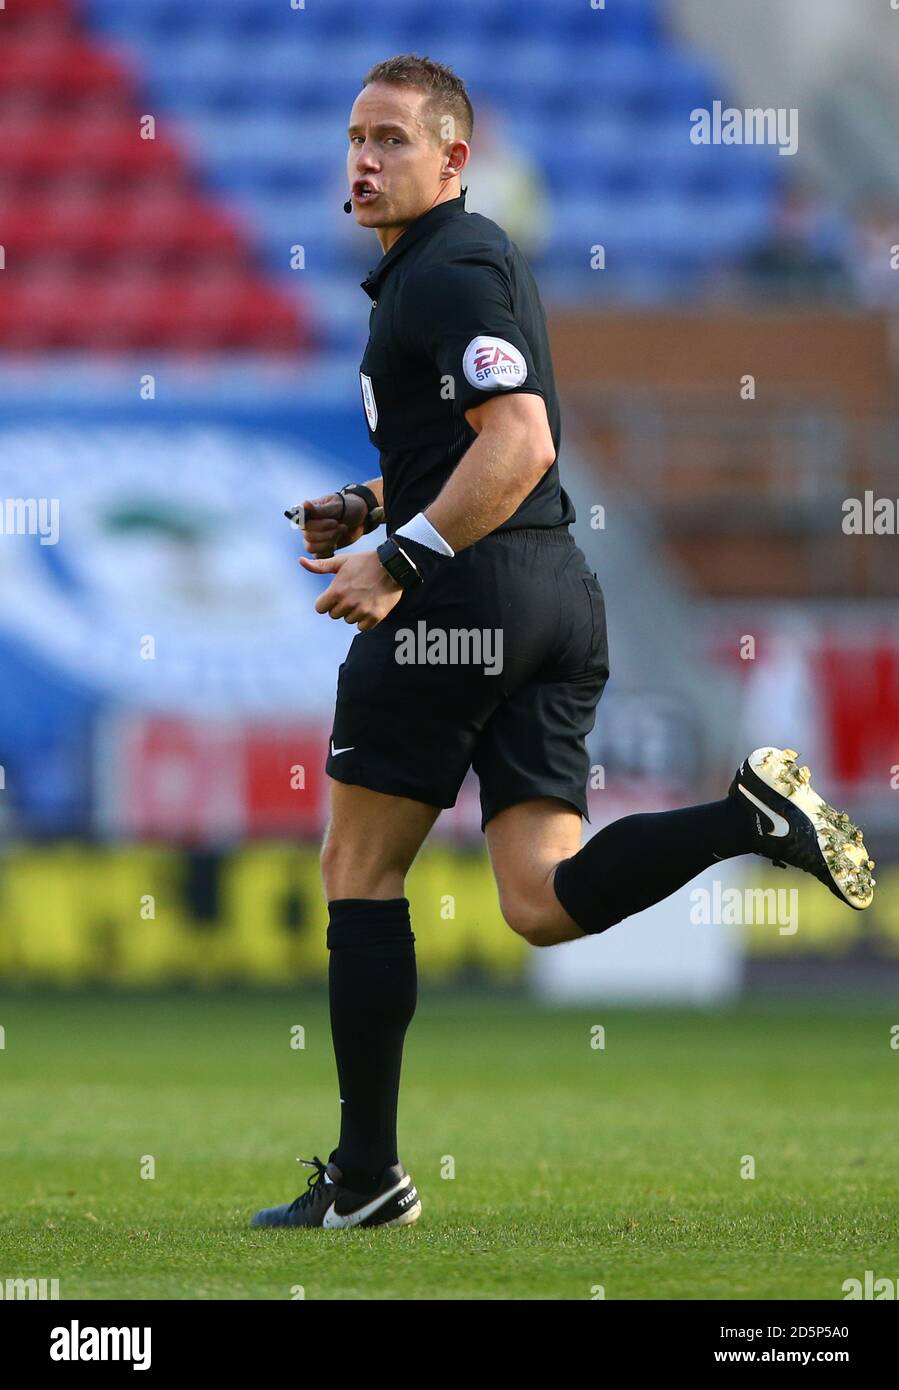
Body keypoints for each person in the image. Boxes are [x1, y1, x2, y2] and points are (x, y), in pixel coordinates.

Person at [251, 55, 875, 1232]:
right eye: (354, 136)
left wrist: (401, 558)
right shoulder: (432, 275)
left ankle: (368, 1177)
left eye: (392, 137)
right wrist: (370, 503)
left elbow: (522, 442)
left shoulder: (455, 263)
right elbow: (465, 449)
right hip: (548, 599)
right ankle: (750, 815)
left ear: (453, 159)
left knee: (357, 871)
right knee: (538, 901)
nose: (364, 158)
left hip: (466, 603)